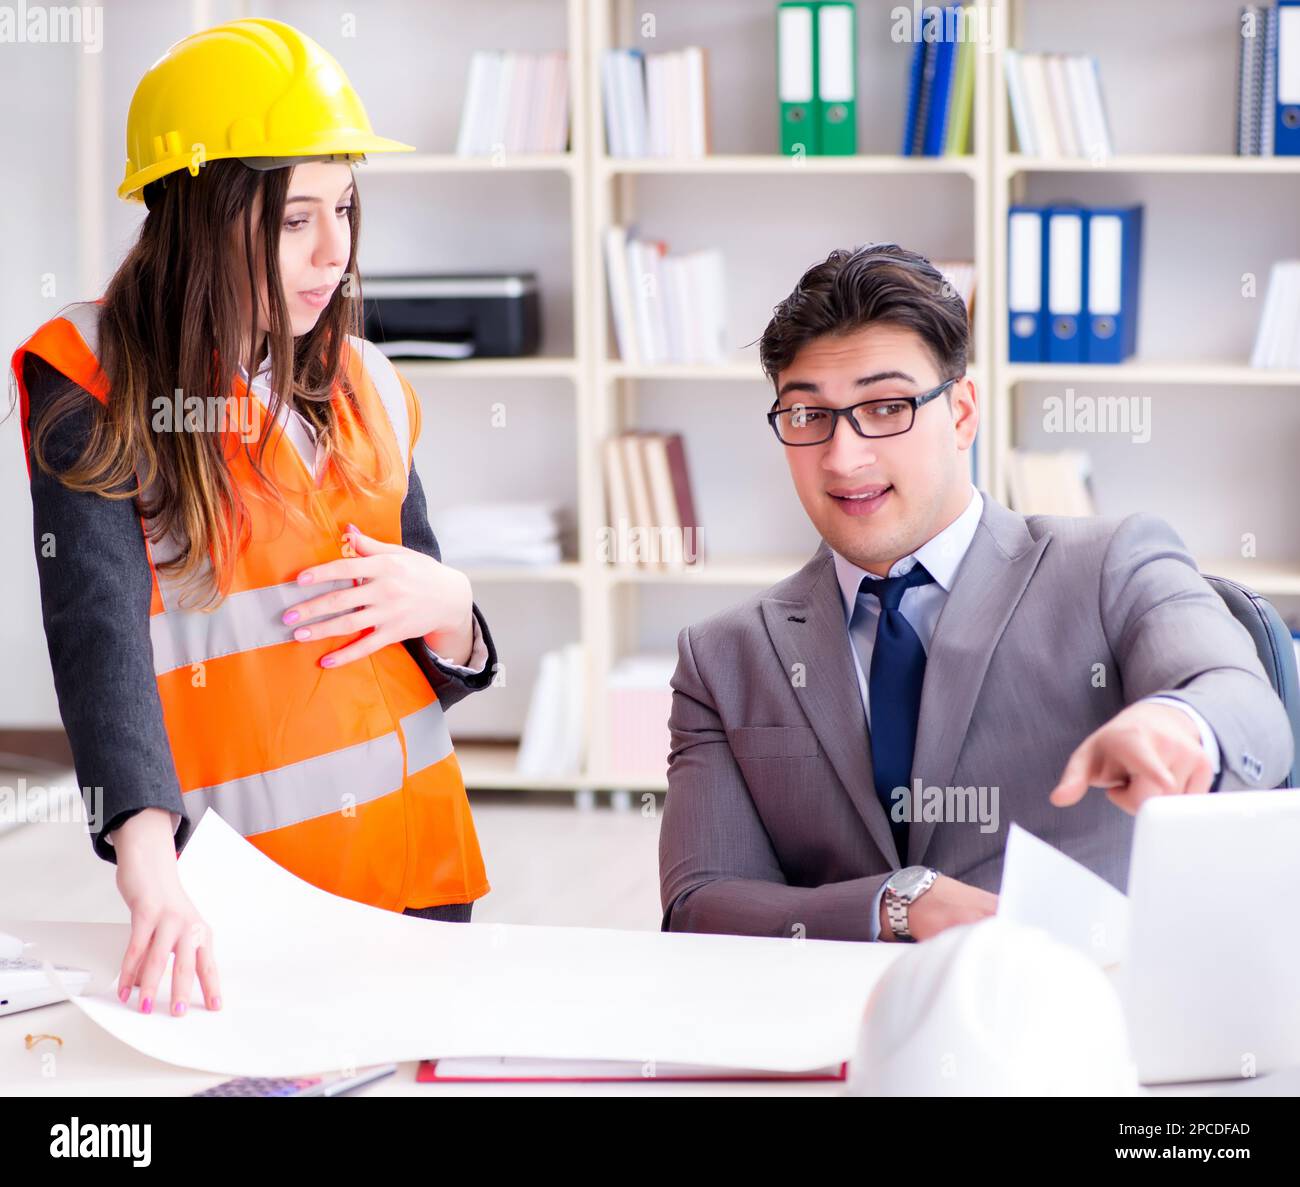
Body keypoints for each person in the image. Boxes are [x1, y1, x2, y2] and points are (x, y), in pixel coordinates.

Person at [8, 19, 497, 1018]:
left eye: (347, 207)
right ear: (197, 212)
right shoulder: (93, 378)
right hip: (240, 895)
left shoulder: (365, 377)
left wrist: (454, 606)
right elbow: (97, 629)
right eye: (292, 219)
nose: (335, 251)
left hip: (420, 873)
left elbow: (429, 634)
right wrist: (146, 863)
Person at [658, 243, 1292, 944]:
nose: (844, 457)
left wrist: (1178, 724)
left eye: (886, 405)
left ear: (962, 413)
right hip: (836, 1037)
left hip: (1077, 1021)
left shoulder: (1110, 565)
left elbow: (1241, 697)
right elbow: (700, 901)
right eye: (810, 416)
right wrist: (894, 904)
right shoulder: (723, 656)